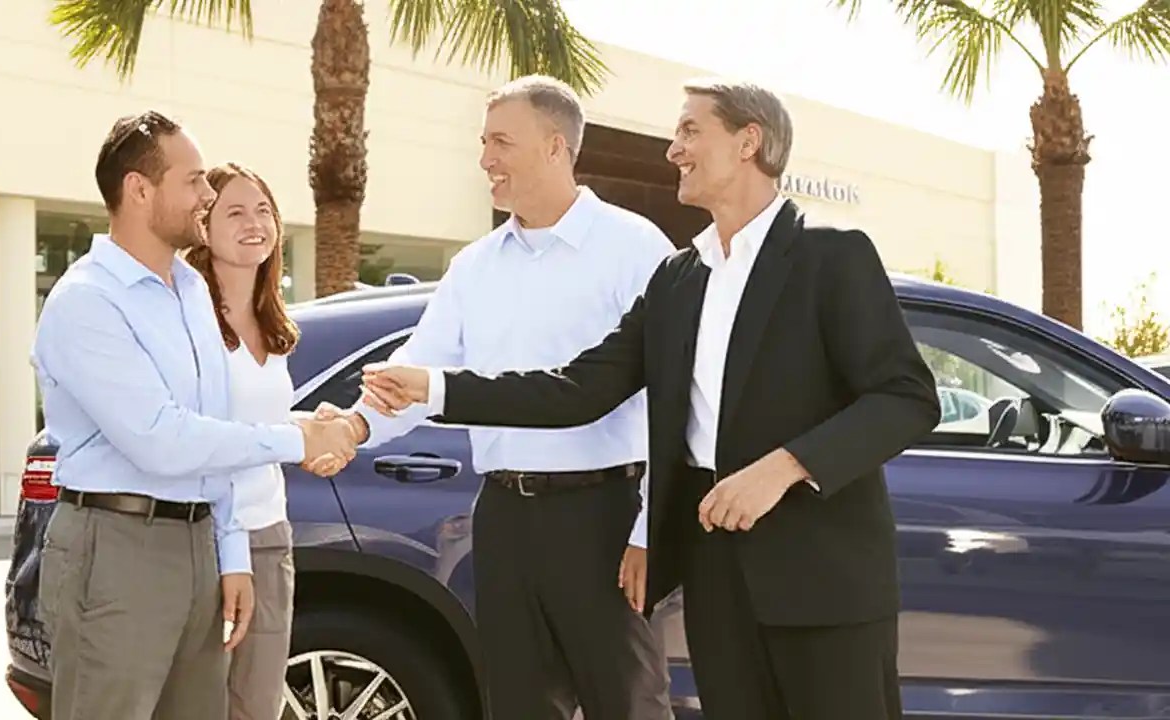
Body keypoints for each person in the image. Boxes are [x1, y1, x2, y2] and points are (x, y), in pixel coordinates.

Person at [358, 79, 942, 720]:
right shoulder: (679, 279)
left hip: (822, 577)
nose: (673, 150)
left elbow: (905, 397)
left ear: (749, 141)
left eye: (691, 131)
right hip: (718, 578)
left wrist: (783, 469)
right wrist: (437, 386)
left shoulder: (832, 256)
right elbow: (580, 390)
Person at [320, 75, 675, 720]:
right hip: (504, 518)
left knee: (628, 706)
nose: (485, 159)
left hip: (605, 516)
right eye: (483, 142)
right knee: (516, 705)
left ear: (555, 147)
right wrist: (355, 427)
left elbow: (672, 403)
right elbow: (416, 373)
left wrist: (652, 529)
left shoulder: (637, 249)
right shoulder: (474, 266)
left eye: (501, 142)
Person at [31, 111, 359, 720]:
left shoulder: (188, 290)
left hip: (198, 543)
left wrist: (232, 556)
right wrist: (298, 438)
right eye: (193, 182)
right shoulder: (87, 302)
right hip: (116, 549)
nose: (208, 195)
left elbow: (215, 429)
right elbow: (162, 441)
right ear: (139, 190)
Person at [184, 162, 325, 719]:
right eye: (235, 211)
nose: (254, 223)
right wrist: (297, 440)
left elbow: (263, 421)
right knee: (201, 704)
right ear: (204, 226)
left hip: (270, 532)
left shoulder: (273, 324)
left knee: (258, 705)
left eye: (263, 210)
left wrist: (316, 433)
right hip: (207, 536)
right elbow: (207, 436)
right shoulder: (189, 319)